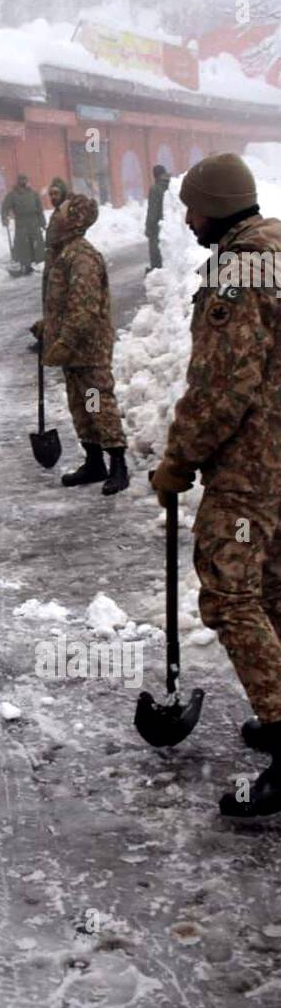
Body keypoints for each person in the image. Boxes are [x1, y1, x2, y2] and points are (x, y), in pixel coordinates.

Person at [150, 153, 281, 817]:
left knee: (231, 597)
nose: (187, 217)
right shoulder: (278, 248)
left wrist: (180, 458)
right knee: (275, 592)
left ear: (218, 207)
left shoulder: (237, 271)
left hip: (251, 468)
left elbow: (224, 389)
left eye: (193, 206)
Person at [30, 186, 129, 495]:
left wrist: (65, 343)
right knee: (81, 407)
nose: (53, 219)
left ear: (72, 221)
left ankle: (118, 465)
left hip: (88, 349)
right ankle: (94, 461)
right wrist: (49, 325)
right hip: (74, 351)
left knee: (97, 404)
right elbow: (66, 303)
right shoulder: (64, 255)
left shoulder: (82, 256)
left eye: (59, 215)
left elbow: (84, 309)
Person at [1, 173, 45, 275]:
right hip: (21, 223)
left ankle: (38, 264)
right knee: (23, 246)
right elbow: (4, 207)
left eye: (25, 179)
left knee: (36, 244)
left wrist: (42, 222)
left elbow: (39, 209)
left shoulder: (33, 194)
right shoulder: (12, 195)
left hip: (34, 222)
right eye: (21, 180)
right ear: (18, 181)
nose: (23, 182)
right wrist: (4, 218)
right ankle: (25, 265)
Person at [145, 164, 170, 271]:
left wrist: (149, 228)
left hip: (158, 227)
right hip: (171, 225)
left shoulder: (155, 189)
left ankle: (158, 272)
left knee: (155, 252)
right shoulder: (172, 185)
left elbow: (152, 211)